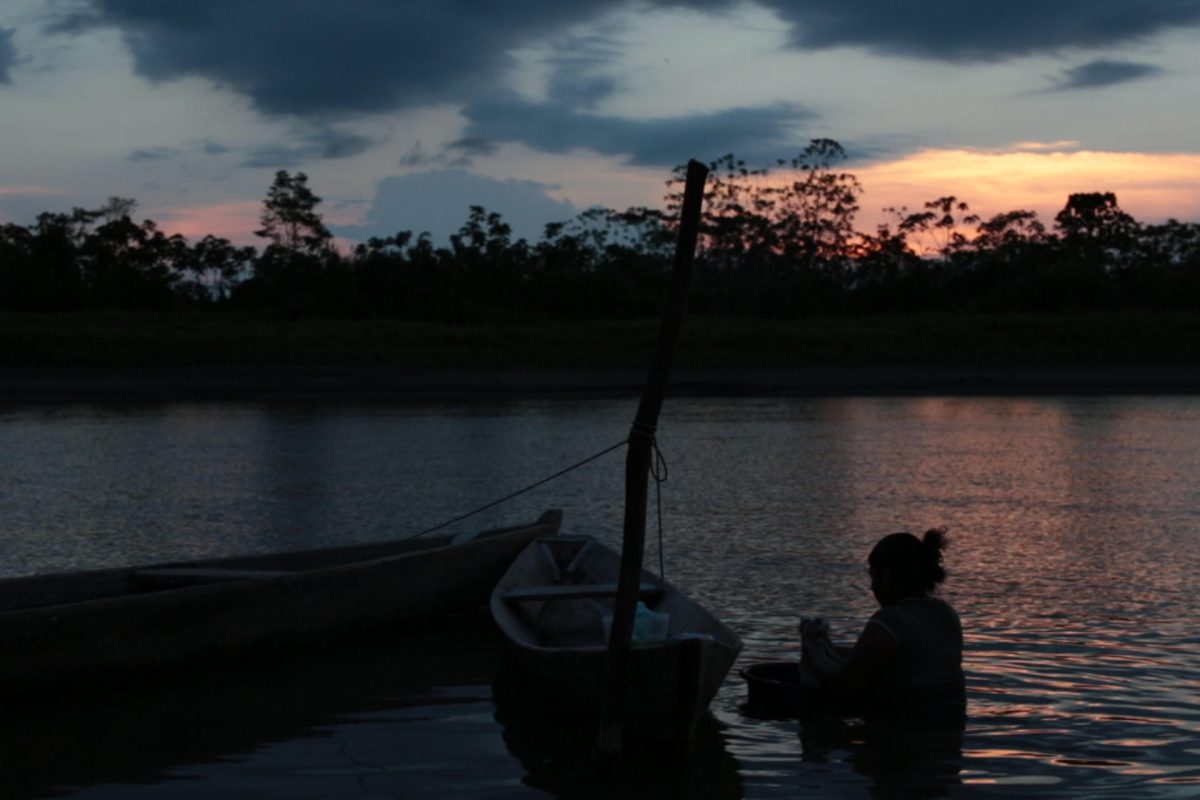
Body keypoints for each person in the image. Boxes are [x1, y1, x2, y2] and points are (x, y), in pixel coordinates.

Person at [801, 529, 966, 718]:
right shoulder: (946, 614)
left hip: (902, 730)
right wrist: (828, 648)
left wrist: (810, 644)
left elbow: (837, 687)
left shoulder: (889, 620)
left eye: (873, 578)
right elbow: (889, 656)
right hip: (950, 730)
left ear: (887, 577)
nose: (872, 587)